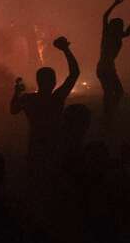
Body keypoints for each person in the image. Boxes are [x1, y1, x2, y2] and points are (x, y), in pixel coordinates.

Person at [10, 34, 79, 177]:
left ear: (38, 81)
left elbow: (13, 110)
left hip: (35, 146)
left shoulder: (29, 99)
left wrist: (16, 93)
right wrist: (66, 50)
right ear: (53, 82)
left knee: (36, 180)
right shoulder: (57, 98)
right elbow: (74, 74)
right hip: (55, 145)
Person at [98, 0, 130, 125]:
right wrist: (114, 4)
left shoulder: (116, 36)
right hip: (105, 67)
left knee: (114, 92)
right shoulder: (108, 36)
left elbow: (128, 32)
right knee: (112, 92)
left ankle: (108, 114)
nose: (121, 27)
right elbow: (105, 17)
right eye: (120, 25)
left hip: (107, 67)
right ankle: (108, 116)